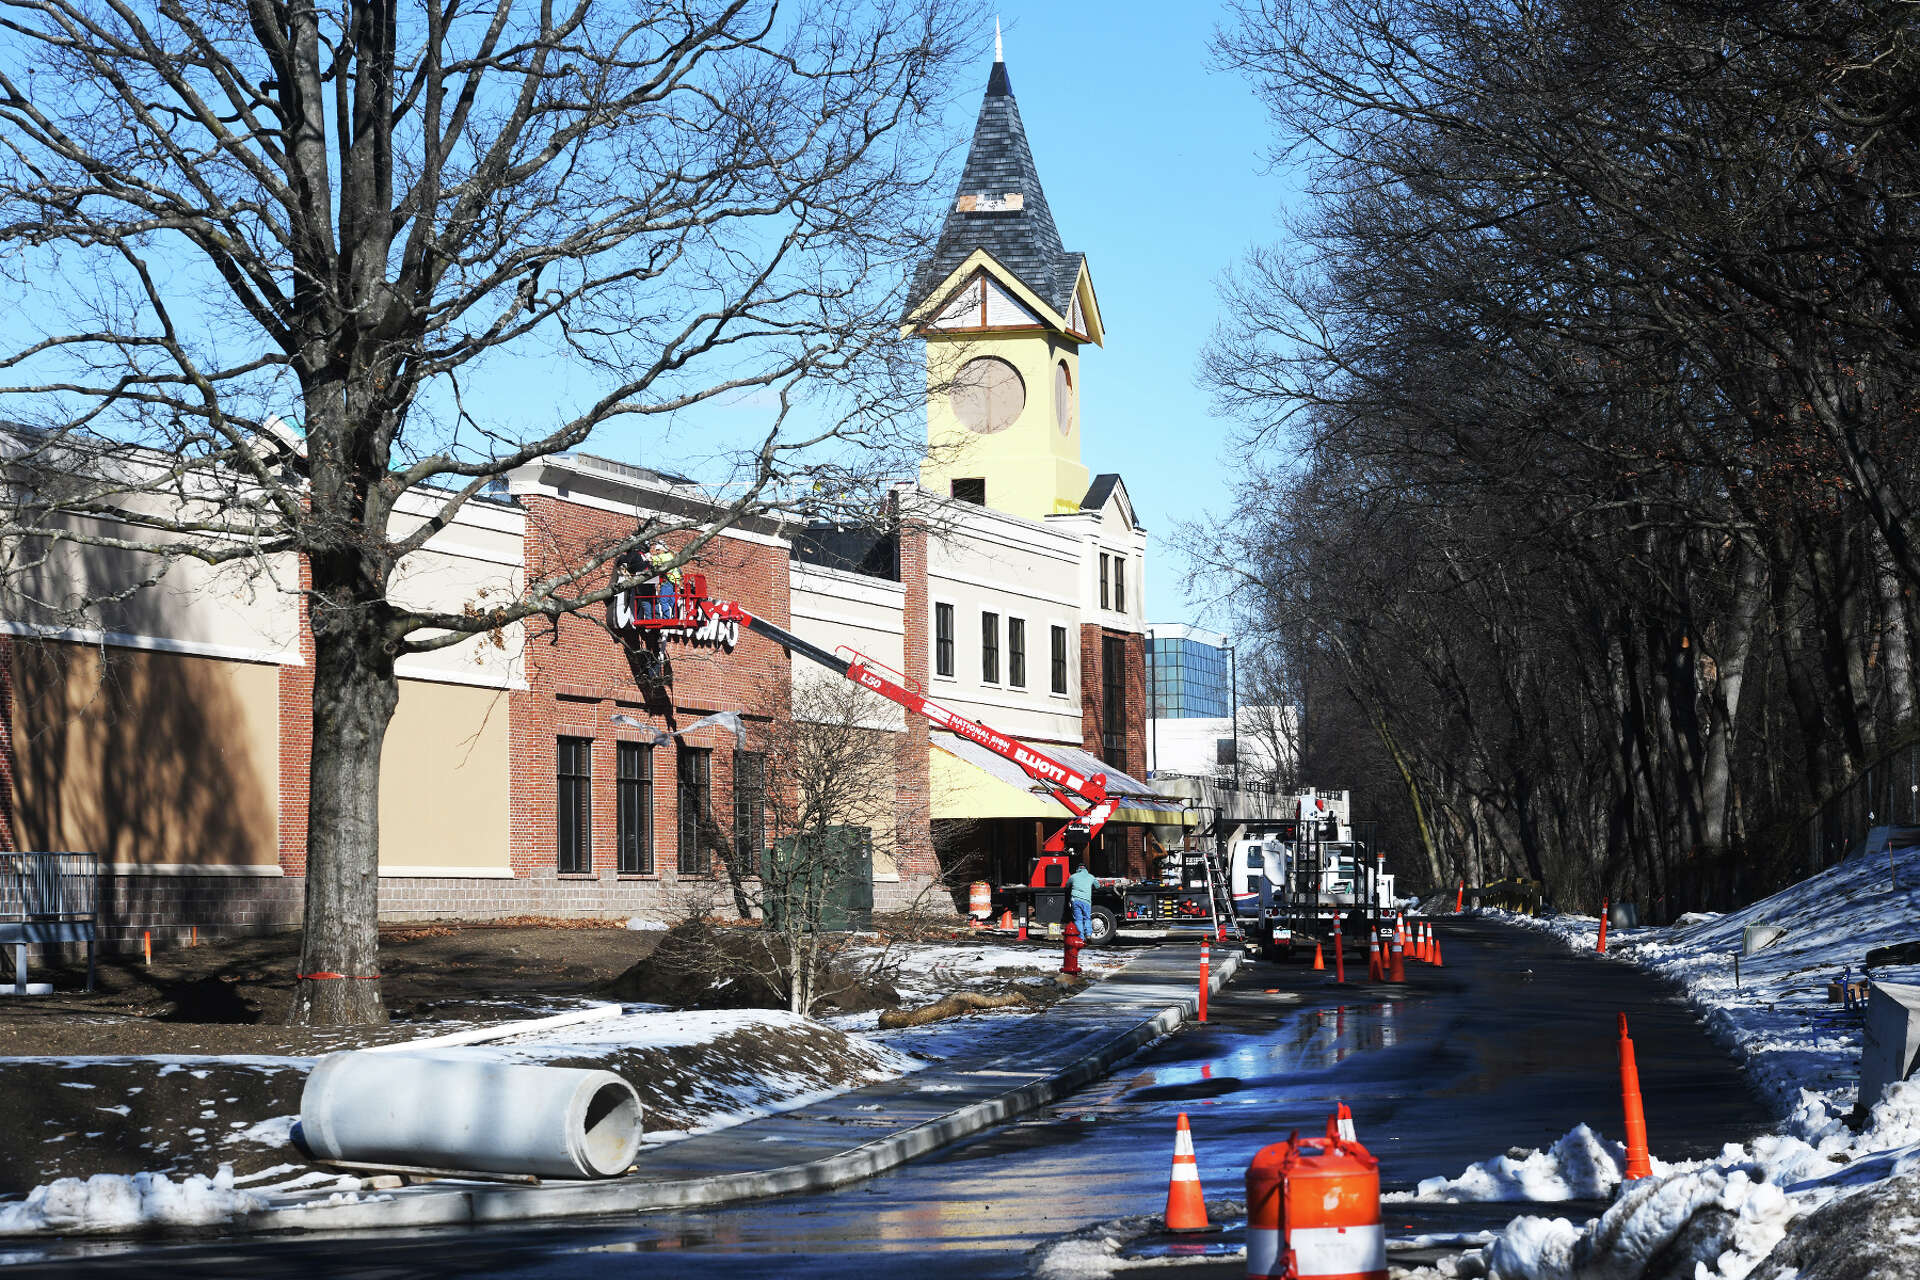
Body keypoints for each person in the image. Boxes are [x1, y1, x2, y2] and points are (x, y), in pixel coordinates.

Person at [646, 540, 682, 620]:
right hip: (674, 581)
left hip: (668, 581)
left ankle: (666, 618)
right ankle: (676, 616)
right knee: (672, 600)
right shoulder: (670, 556)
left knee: (663, 600)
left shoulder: (663, 556)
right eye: (656, 550)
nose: (657, 552)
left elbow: (653, 560)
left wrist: (648, 556)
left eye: (658, 550)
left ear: (662, 550)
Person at [1067, 857, 1098, 942]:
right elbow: (1098, 886)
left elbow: (1067, 885)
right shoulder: (1091, 877)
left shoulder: (1073, 876)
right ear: (1086, 869)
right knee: (1087, 918)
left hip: (1075, 900)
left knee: (1078, 919)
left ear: (1077, 869)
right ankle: (1088, 934)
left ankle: (1081, 937)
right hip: (1086, 901)